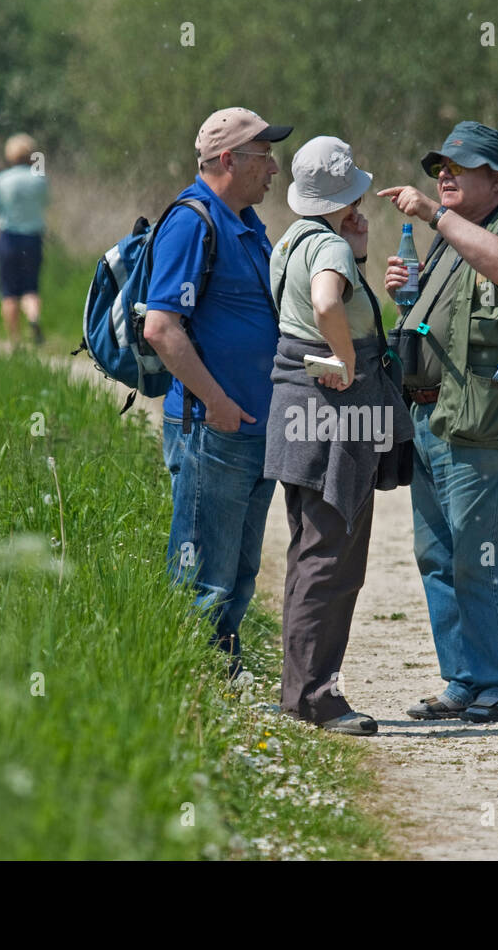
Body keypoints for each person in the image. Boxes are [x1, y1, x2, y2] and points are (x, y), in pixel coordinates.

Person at [379, 121, 498, 724]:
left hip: (482, 424)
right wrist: (410, 291)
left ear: (497, 179)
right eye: (438, 168)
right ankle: (463, 681)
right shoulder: (454, 236)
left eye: (459, 167)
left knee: (478, 554)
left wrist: (433, 214)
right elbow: (446, 318)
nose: (444, 176)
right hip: (431, 415)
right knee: (438, 556)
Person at [264, 136, 413, 735]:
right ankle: (318, 697)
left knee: (310, 552)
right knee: (335, 559)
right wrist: (349, 358)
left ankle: (297, 692)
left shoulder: (291, 240)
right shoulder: (329, 248)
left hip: (297, 407)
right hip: (338, 414)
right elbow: (327, 302)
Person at [142, 107, 292, 678]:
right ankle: (190, 679)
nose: (274, 167)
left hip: (254, 427)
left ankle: (222, 671)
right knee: (203, 571)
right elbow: (162, 328)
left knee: (240, 571)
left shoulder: (248, 224)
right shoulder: (193, 222)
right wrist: (218, 402)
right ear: (229, 160)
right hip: (214, 428)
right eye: (264, 155)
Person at [0, 133, 50, 344]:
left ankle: (14, 338)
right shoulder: (40, 180)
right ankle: (33, 317)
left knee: (9, 291)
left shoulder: (0, 179)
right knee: (31, 287)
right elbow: (45, 203)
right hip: (33, 238)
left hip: (8, 237)